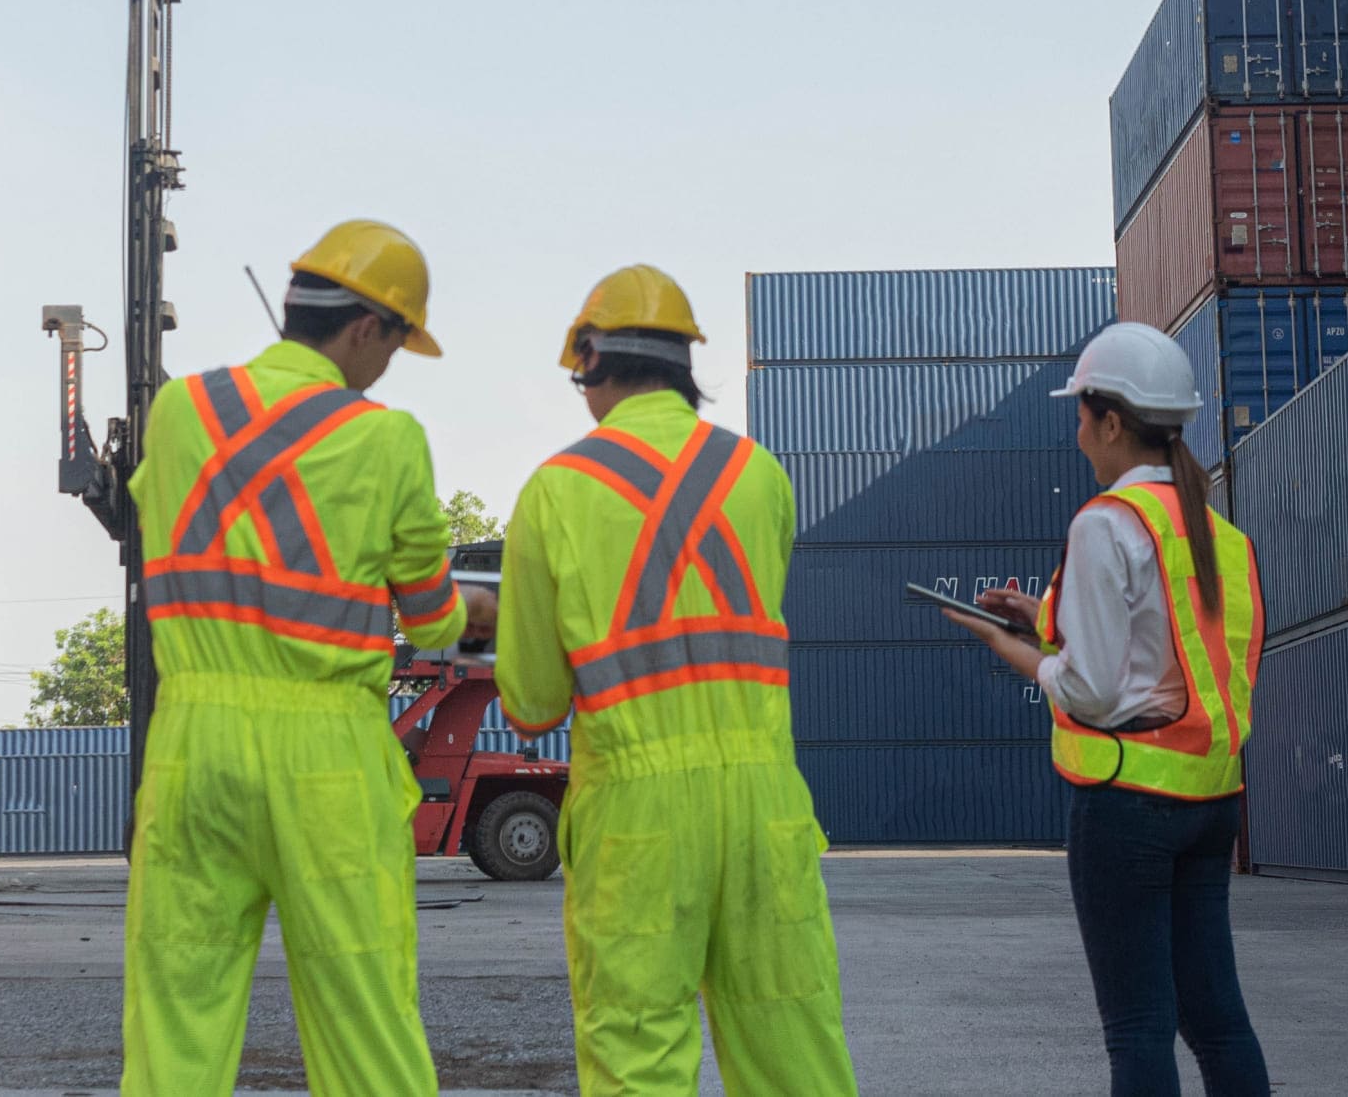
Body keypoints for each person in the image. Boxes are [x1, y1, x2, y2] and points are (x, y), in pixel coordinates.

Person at [120, 219, 494, 1096]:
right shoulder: (385, 439)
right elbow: (431, 616)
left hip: (193, 746)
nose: (390, 368)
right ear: (369, 328)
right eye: (397, 345)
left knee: (175, 1017)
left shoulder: (179, 412)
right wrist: (471, 609)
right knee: (365, 1021)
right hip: (327, 757)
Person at [494, 265, 858, 1095]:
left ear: (589, 360)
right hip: (766, 812)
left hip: (638, 822)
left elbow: (533, 702)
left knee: (638, 1060)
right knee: (796, 1055)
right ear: (684, 362)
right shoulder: (761, 476)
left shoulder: (554, 492)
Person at [944, 322, 1269, 1097]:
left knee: (1138, 1029)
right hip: (1211, 800)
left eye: (1082, 413)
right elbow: (1160, 645)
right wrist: (1039, 612)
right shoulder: (1218, 533)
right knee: (1218, 1020)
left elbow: (1089, 689)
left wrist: (1009, 646)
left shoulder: (1103, 523)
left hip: (1127, 807)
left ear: (1113, 421)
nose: (1078, 429)